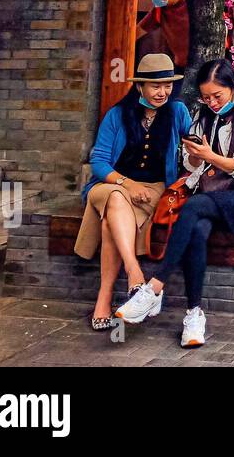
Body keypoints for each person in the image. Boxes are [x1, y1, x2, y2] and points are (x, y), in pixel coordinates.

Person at [116, 59, 234, 349]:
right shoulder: (202, 118)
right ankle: (194, 314)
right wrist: (196, 157)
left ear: (233, 88)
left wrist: (210, 156)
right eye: (206, 97)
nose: (212, 102)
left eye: (218, 96)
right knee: (197, 230)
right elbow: (190, 165)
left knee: (195, 206)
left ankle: (154, 288)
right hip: (209, 199)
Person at [76, 53, 193, 332]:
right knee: (115, 198)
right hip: (111, 185)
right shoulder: (117, 114)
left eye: (167, 85)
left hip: (154, 189)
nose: (162, 92)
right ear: (139, 86)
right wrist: (127, 184)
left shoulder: (177, 112)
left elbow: (191, 150)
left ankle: (104, 298)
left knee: (109, 224)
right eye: (155, 86)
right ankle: (134, 271)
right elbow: (99, 162)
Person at [138, 0, 189, 97]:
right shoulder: (160, 10)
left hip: (202, 65)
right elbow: (139, 30)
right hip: (179, 68)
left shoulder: (193, 4)